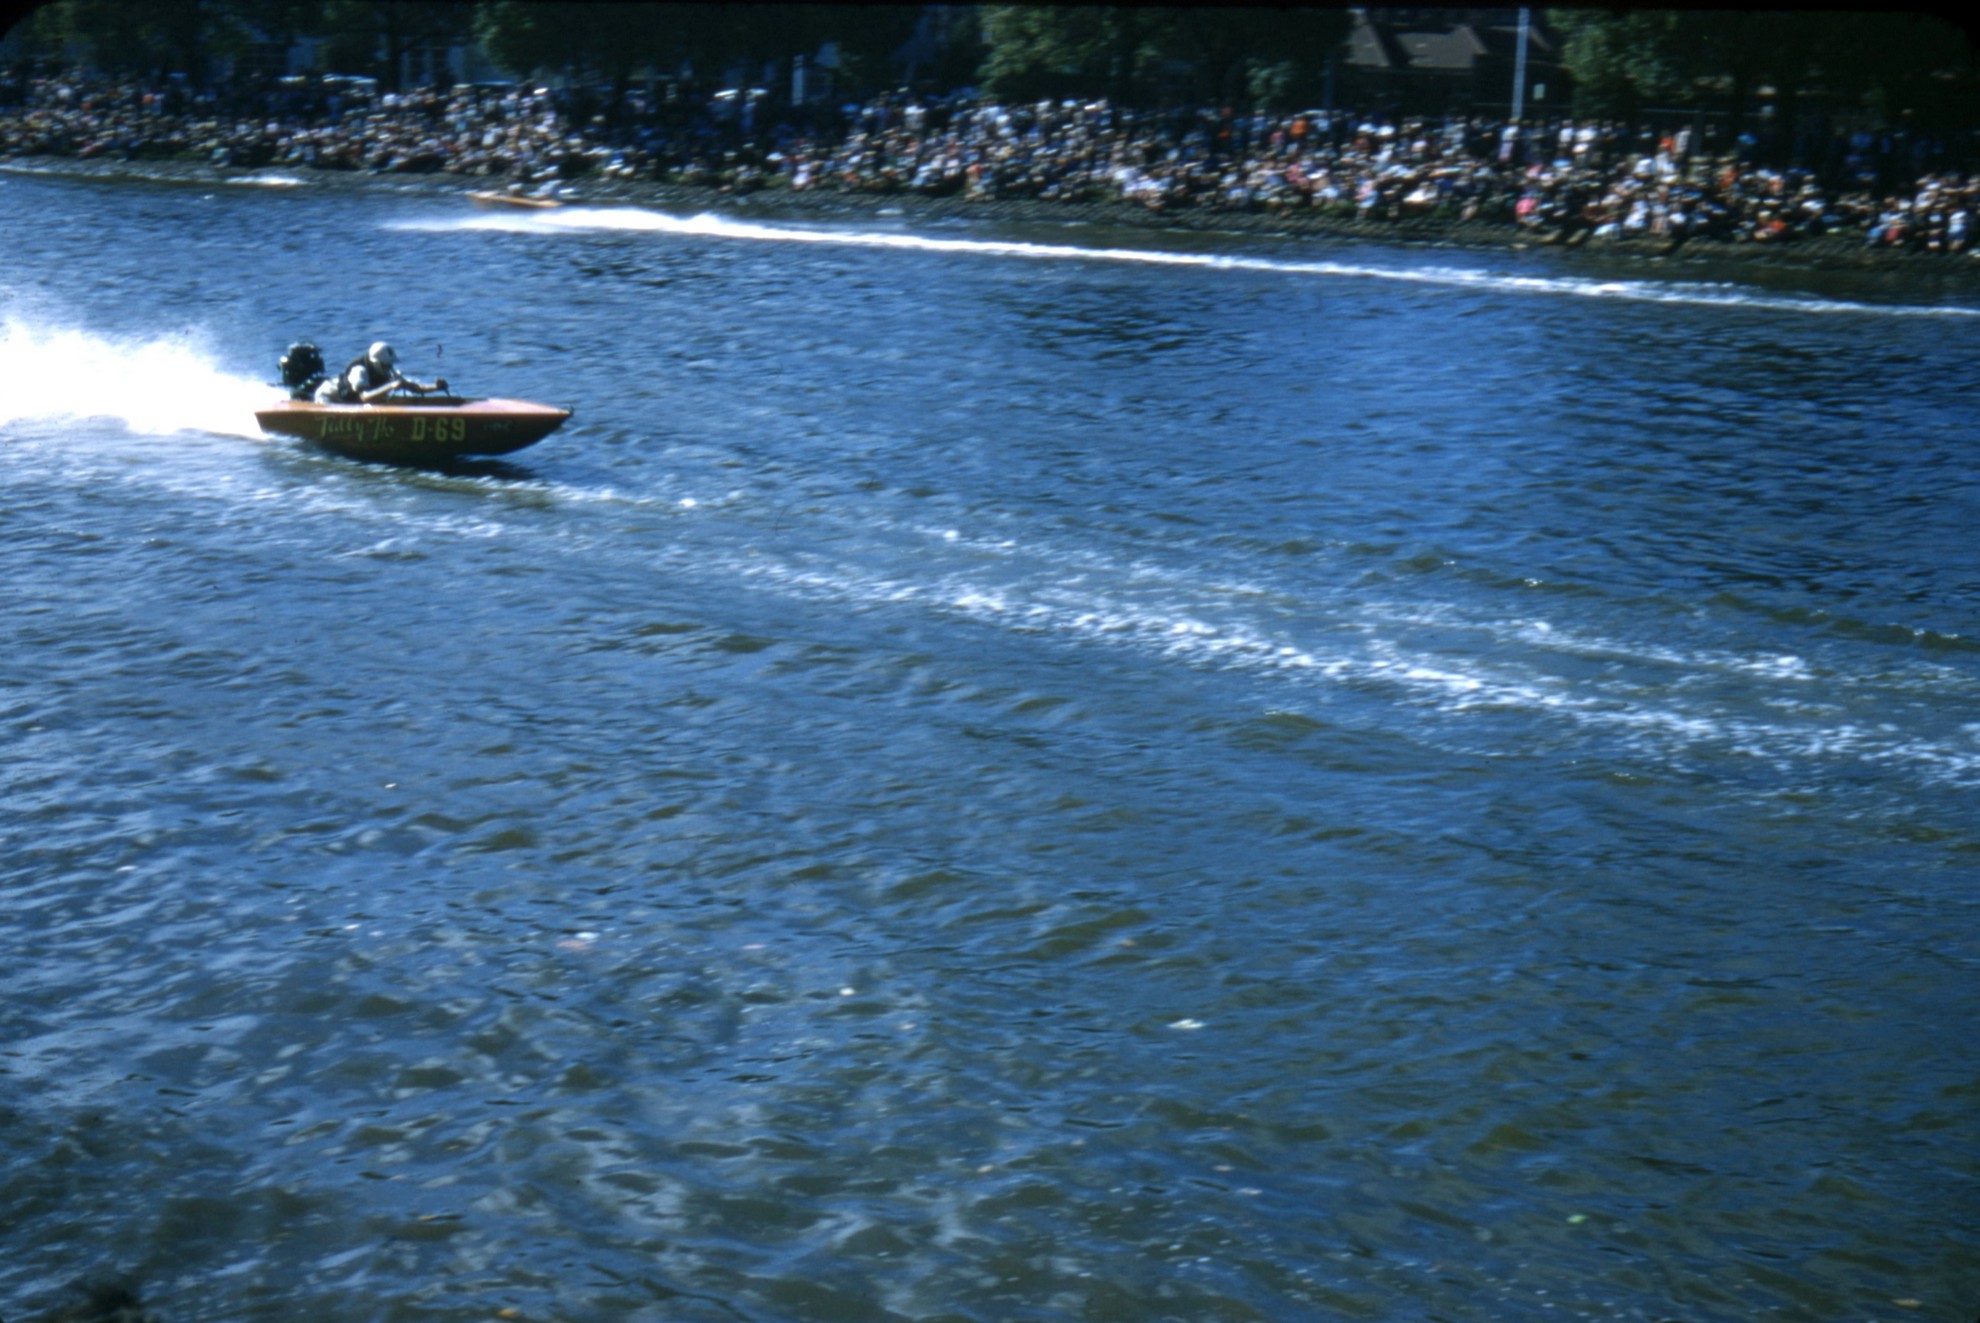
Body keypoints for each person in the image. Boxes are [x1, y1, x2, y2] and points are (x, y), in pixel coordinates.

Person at [313, 341, 448, 404]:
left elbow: (413, 387)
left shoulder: (388, 370)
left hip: (351, 401)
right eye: (386, 365)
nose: (389, 368)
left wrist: (436, 387)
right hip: (328, 397)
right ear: (377, 363)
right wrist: (390, 387)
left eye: (390, 365)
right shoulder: (359, 371)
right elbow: (364, 397)